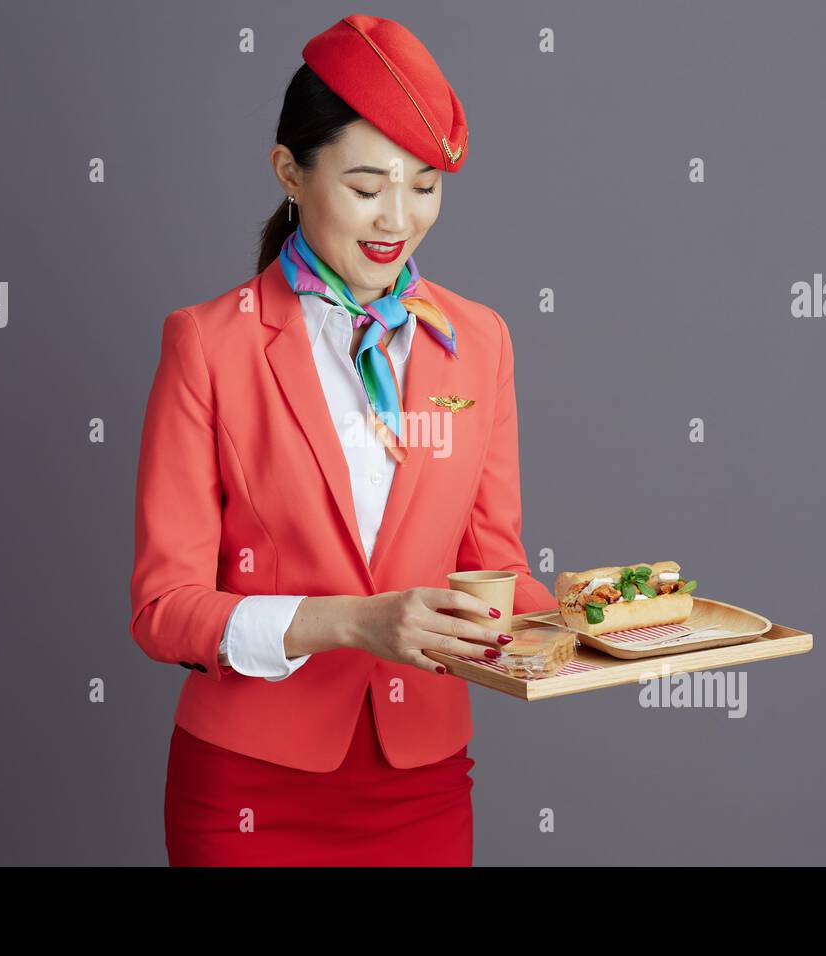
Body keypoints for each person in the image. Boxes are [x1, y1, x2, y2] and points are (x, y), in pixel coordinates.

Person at [129, 13, 555, 867]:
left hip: (421, 780)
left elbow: (496, 573)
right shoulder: (210, 344)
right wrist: (355, 623)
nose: (399, 219)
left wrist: (612, 622)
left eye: (425, 186)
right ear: (290, 171)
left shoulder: (482, 341)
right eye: (367, 187)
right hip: (250, 789)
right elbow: (164, 611)